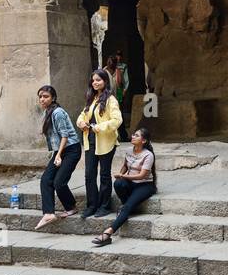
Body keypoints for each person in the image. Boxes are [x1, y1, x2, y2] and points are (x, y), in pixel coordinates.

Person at [91, 127, 157, 247]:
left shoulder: (148, 155)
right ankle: (128, 207)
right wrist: (121, 175)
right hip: (131, 182)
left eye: (136, 135)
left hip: (144, 185)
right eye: (133, 134)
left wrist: (123, 176)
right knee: (118, 184)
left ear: (144, 141)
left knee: (126, 206)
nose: (133, 136)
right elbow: (125, 166)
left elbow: (142, 175)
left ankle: (108, 233)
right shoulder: (129, 151)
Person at [76, 68, 123, 218]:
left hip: (106, 141)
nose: (95, 82)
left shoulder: (111, 99)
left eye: (99, 80)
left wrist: (99, 127)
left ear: (105, 82)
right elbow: (82, 115)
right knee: (89, 175)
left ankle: (105, 206)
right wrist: (81, 123)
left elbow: (117, 120)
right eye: (93, 80)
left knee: (104, 174)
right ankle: (92, 205)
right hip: (90, 140)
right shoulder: (91, 99)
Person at [34, 85, 82, 230]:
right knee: (46, 180)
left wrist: (59, 155)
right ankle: (49, 213)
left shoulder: (58, 112)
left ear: (53, 98)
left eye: (46, 96)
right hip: (60, 150)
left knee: (59, 182)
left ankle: (71, 207)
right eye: (41, 96)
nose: (42, 99)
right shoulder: (48, 112)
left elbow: (65, 135)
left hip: (71, 150)